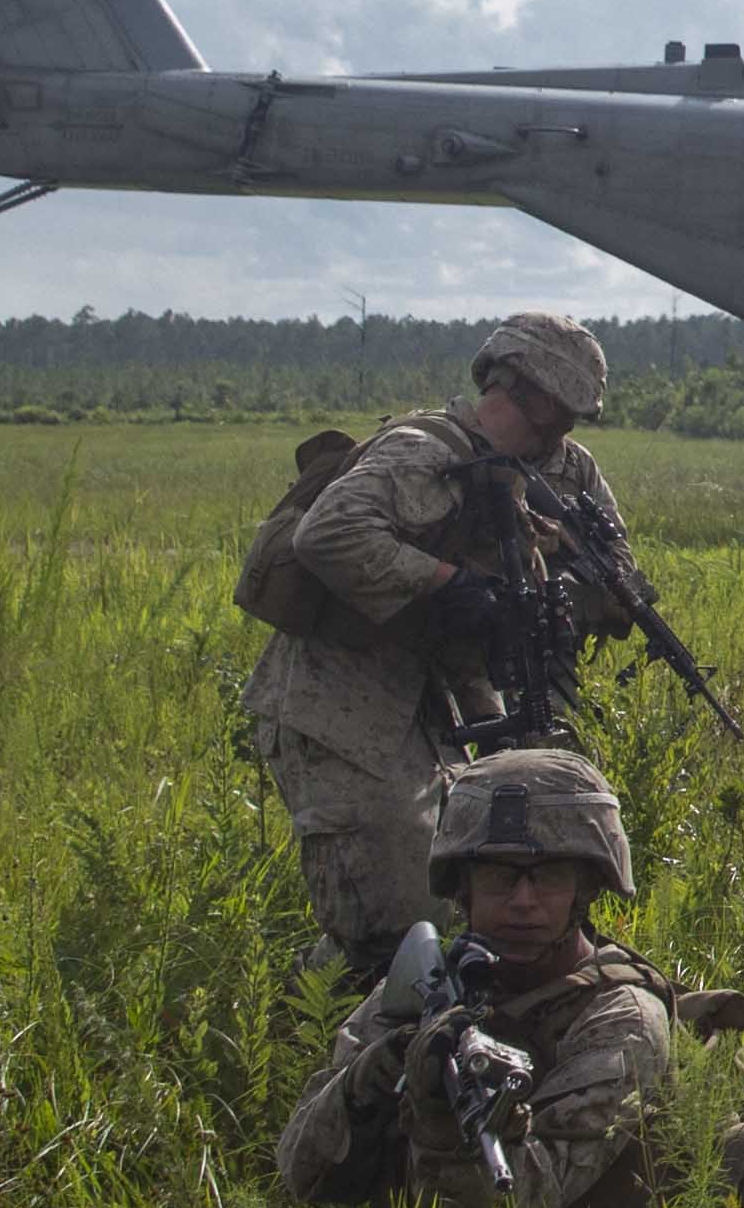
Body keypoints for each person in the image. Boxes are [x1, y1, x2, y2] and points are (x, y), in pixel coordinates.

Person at [241, 309, 657, 979]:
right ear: (520, 388)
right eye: (550, 411)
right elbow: (326, 535)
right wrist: (448, 583)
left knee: (494, 901)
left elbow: (620, 570)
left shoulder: (563, 472)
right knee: (395, 923)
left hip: (464, 703)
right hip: (347, 701)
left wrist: (563, 589)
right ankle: (317, 1042)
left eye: (567, 419)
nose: (556, 431)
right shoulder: (424, 450)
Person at [271, 745, 680, 1208]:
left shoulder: (622, 1018)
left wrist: (442, 1115)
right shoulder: (426, 985)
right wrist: (378, 1070)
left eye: (549, 876)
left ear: (588, 889)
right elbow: (300, 1170)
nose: (523, 900)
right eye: (499, 876)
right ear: (461, 887)